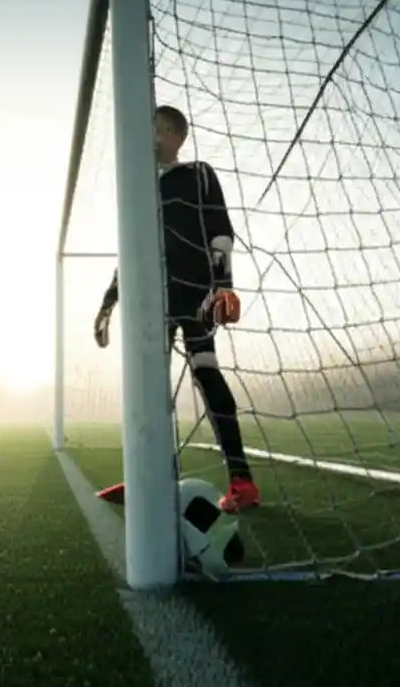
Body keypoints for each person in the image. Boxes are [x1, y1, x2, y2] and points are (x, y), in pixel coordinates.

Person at [92, 105, 260, 514]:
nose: (147, 140)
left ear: (174, 136)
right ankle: (146, 477)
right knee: (148, 381)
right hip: (154, 296)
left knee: (205, 370)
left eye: (156, 131)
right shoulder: (139, 188)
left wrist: (224, 287)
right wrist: (107, 304)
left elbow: (221, 229)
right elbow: (129, 253)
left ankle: (242, 481)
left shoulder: (198, 174)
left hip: (197, 292)